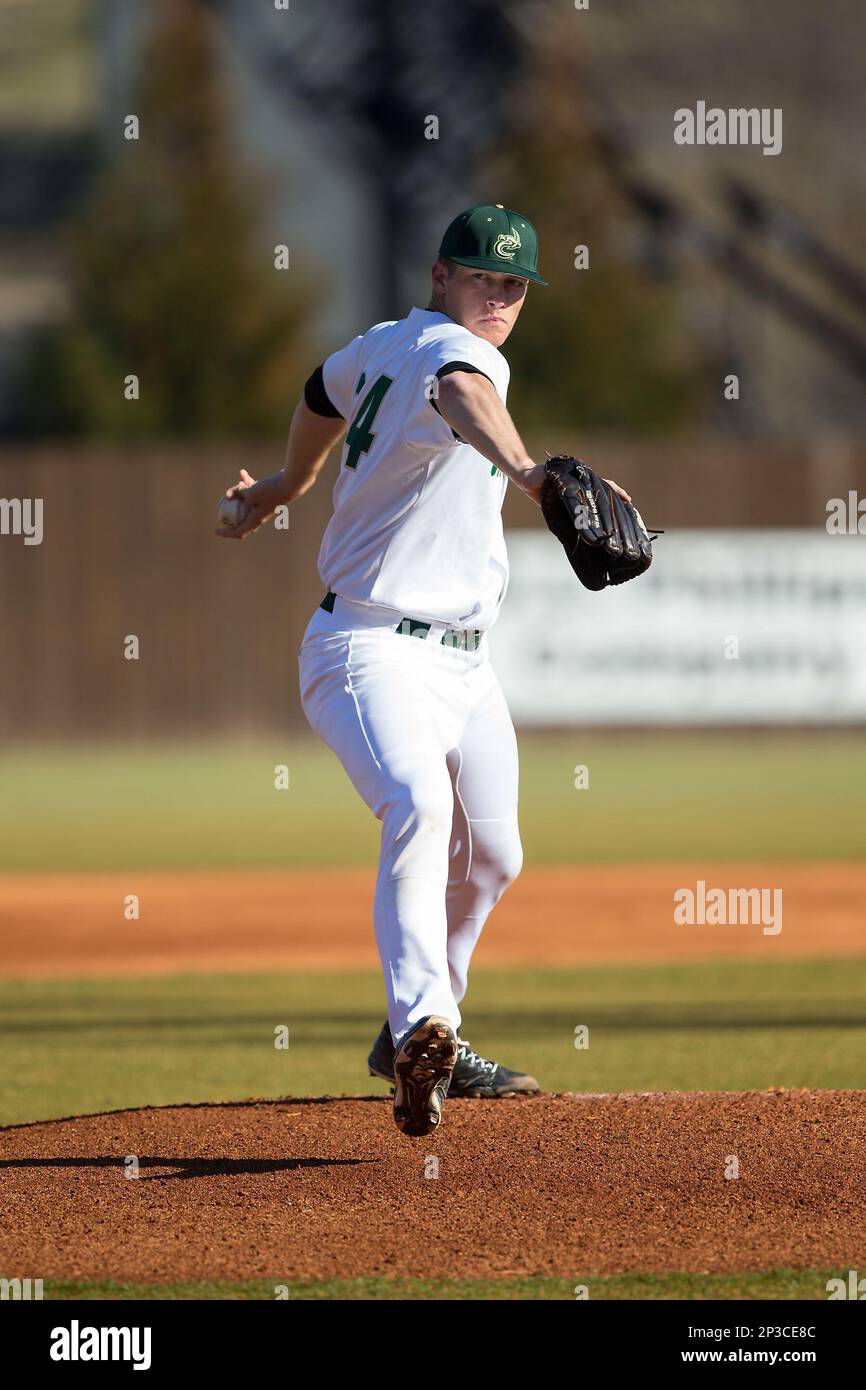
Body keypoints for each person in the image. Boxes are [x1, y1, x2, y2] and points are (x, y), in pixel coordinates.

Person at [217, 204, 630, 1137]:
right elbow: (458, 393)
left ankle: (413, 1027)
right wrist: (530, 473)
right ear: (441, 276)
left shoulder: (377, 344)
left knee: (494, 856)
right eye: (484, 277)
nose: (500, 299)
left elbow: (320, 393)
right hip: (366, 648)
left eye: (516, 286)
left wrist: (287, 485)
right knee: (416, 804)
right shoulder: (454, 354)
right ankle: (425, 1028)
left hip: (463, 664)